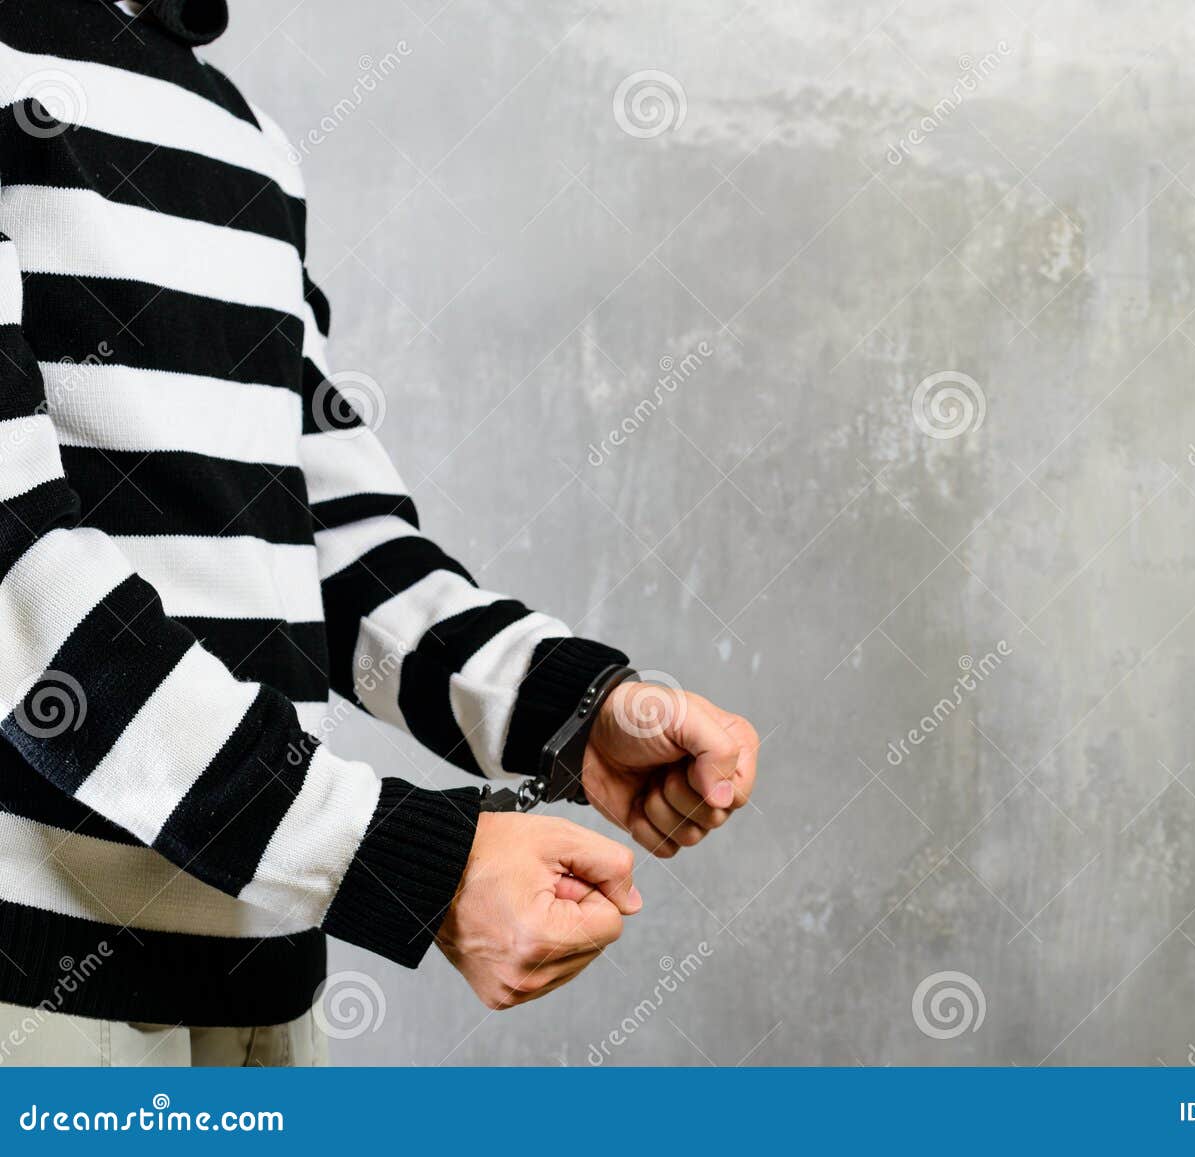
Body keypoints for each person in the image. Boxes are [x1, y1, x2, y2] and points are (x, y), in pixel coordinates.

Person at [0, 0, 757, 1065]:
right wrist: (402, 860)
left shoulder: (242, 132)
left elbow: (322, 525)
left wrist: (570, 713)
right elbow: (15, 587)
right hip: (33, 990)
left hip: (260, 954)